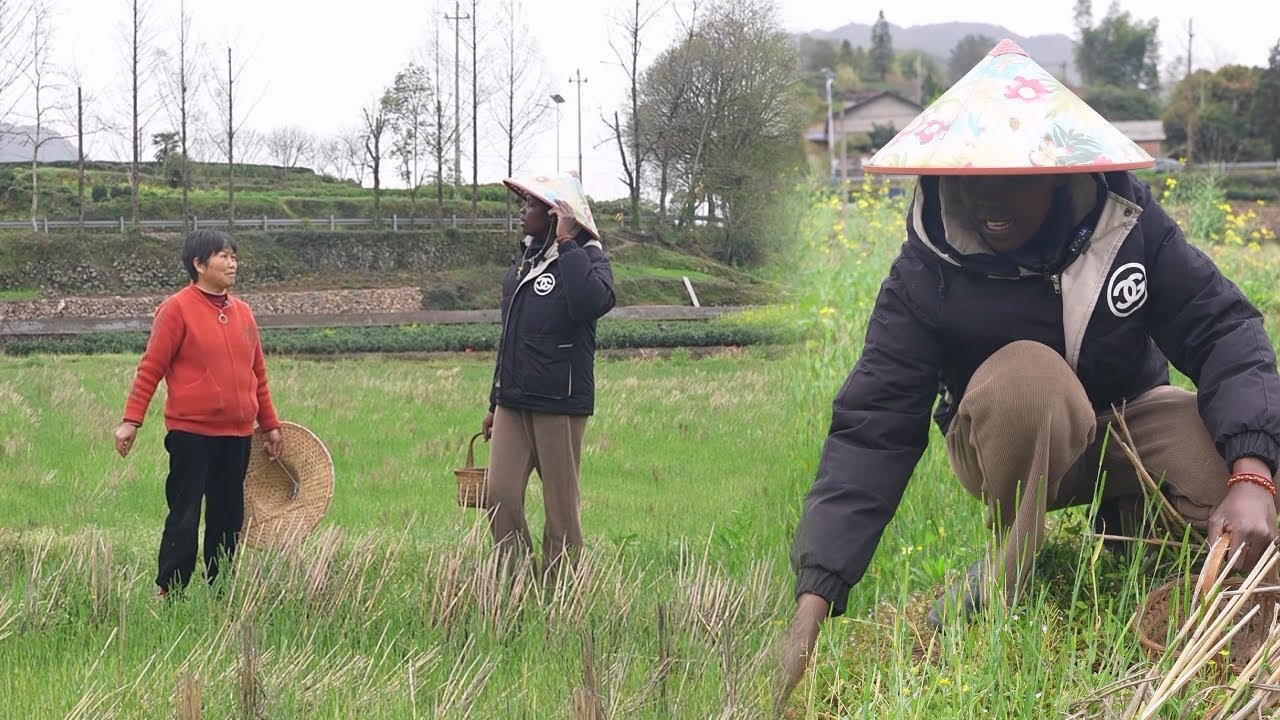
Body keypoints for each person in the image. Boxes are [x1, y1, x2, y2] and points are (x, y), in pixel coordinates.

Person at [777, 39, 1280, 708]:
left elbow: (1223, 331)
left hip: (1122, 424)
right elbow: (873, 429)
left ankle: (1140, 541)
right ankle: (1005, 575)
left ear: (1057, 174)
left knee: (1228, 451)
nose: (991, 200)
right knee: (1030, 378)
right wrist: (817, 593)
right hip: (1005, 440)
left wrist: (1254, 474)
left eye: (1014, 177)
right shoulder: (924, 273)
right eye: (972, 177)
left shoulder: (1128, 228)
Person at [114, 229, 283, 596]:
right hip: (191, 435)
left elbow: (258, 374)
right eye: (223, 256)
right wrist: (131, 421)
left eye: (234, 256)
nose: (232, 263)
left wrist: (269, 425)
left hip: (236, 436)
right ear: (198, 264)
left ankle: (220, 588)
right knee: (185, 515)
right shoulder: (176, 309)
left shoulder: (244, 314)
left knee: (228, 519)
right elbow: (150, 367)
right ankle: (170, 589)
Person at [481, 173, 615, 581]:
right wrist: (493, 401)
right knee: (498, 496)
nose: (523, 210)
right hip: (513, 400)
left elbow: (591, 303)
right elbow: (509, 339)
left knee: (561, 510)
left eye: (532, 204)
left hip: (560, 402)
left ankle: (561, 591)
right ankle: (516, 582)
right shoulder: (523, 261)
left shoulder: (588, 257)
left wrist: (567, 242)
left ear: (558, 213)